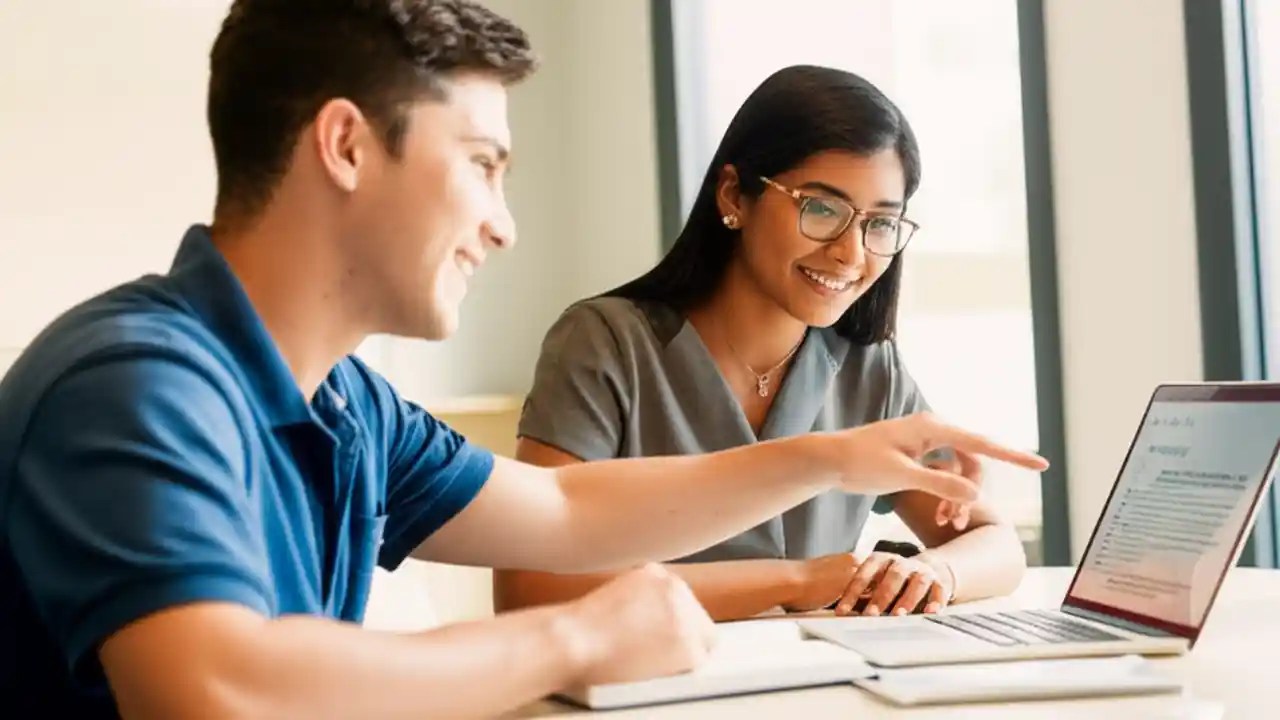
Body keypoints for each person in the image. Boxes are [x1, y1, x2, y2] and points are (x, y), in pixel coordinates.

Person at [0, 2, 1047, 718]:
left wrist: (827, 459)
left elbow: (566, 511)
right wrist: (579, 639)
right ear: (347, 145)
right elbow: (220, 693)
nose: (502, 224)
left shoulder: (348, 403)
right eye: (483, 166)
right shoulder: (136, 385)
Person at [498, 65, 1030, 623]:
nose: (851, 254)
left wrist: (933, 572)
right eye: (820, 209)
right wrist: (796, 581)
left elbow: (996, 544)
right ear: (734, 194)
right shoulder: (605, 345)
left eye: (880, 223)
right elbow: (531, 588)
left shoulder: (869, 370)